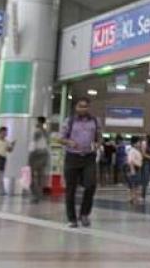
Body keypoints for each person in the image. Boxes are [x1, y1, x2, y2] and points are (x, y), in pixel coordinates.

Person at [58, 96, 100, 228]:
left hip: (89, 157)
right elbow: (60, 138)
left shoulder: (95, 121)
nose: (83, 109)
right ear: (76, 107)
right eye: (80, 106)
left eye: (85, 106)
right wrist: (69, 142)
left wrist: (98, 144)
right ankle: (72, 218)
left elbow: (99, 137)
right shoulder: (69, 121)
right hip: (72, 157)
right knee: (71, 188)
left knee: (90, 185)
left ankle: (84, 214)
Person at [28, 116, 49, 203]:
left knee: (31, 176)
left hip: (36, 155)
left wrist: (30, 156)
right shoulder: (45, 132)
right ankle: (38, 195)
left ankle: (35, 195)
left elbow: (33, 143)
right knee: (40, 176)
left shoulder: (37, 131)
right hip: (44, 154)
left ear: (39, 122)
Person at [126, 136, 144, 205]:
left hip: (137, 168)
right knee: (133, 184)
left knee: (136, 184)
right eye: (138, 142)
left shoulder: (137, 150)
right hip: (134, 168)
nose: (140, 144)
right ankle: (133, 198)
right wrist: (132, 169)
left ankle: (134, 197)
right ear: (134, 143)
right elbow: (130, 161)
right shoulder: (132, 151)